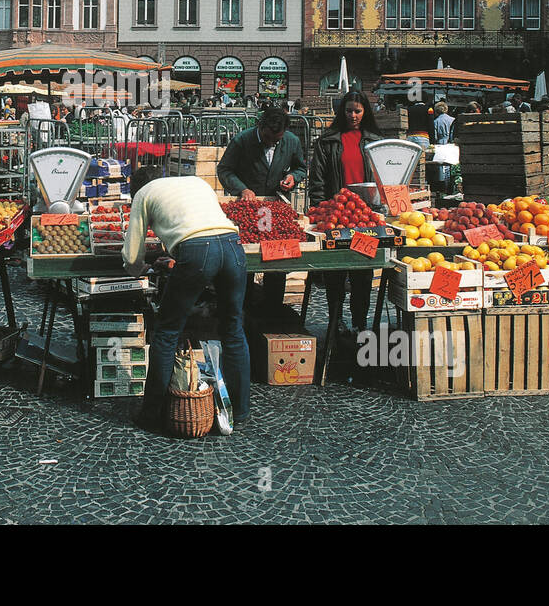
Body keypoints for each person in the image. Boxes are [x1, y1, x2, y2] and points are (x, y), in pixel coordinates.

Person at [122, 167, 249, 434]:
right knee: (233, 329)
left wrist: (142, 270)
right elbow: (205, 226)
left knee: (167, 332)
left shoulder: (144, 194)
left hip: (197, 252)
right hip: (233, 246)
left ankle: (151, 415)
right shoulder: (195, 182)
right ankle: (240, 410)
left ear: (137, 188)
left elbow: (132, 256)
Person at [217, 107, 307, 316]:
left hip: (274, 206)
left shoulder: (291, 141)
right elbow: (224, 170)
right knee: (246, 260)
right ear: (260, 126)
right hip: (246, 208)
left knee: (276, 262)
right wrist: (242, 188)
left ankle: (272, 311)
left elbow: (301, 168)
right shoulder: (242, 140)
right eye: (267, 137)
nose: (270, 142)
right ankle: (244, 310)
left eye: (276, 139)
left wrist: (294, 178)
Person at [308, 92, 383, 335]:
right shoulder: (327, 142)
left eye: (358, 111)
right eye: (349, 110)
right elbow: (317, 180)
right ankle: (335, 322)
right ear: (342, 111)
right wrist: (321, 212)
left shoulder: (374, 141)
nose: (353, 115)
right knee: (335, 272)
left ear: (365, 113)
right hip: (336, 217)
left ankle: (360, 323)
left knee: (363, 272)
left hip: (365, 219)